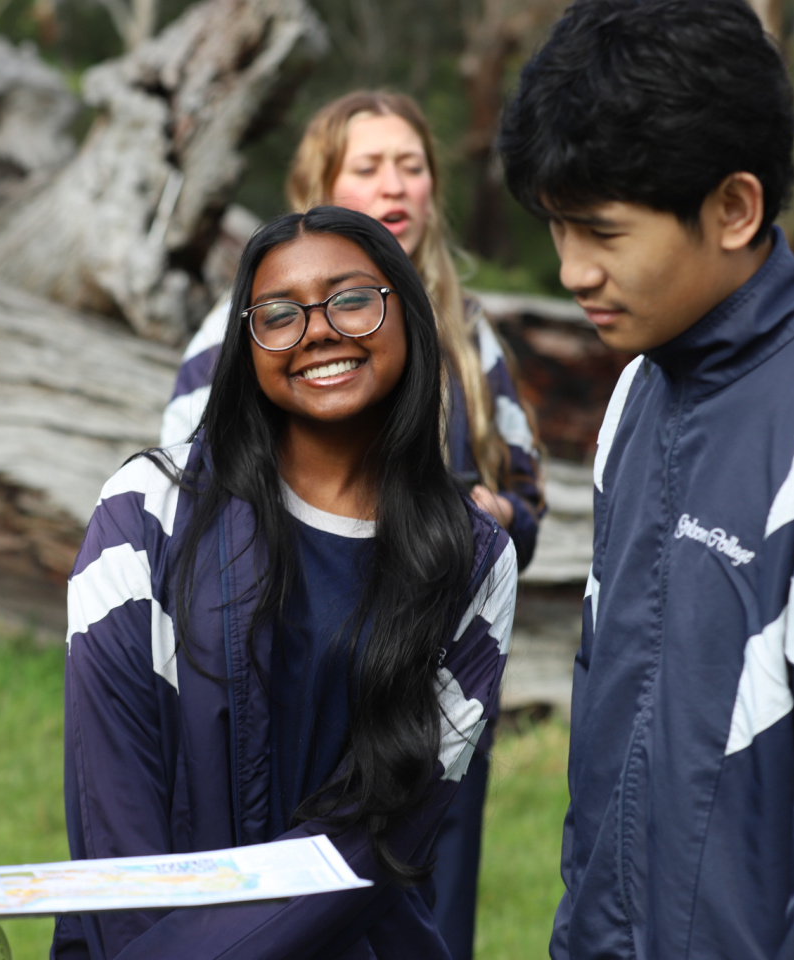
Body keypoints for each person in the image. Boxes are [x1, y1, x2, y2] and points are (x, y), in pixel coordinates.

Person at [498, 1, 794, 957]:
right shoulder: (635, 396)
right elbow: (605, 761)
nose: (572, 270)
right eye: (556, 228)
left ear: (736, 208)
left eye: (602, 232)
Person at [55, 205, 518, 959]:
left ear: (408, 312)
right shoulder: (145, 512)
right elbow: (113, 811)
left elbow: (378, 840)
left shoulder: (472, 560)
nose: (318, 331)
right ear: (247, 345)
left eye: (352, 299)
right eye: (278, 315)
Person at [162, 91, 544, 958]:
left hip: (432, 670)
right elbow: (184, 501)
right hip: (276, 670)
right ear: (319, 186)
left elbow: (526, 491)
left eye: (411, 165)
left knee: (419, 878)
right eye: (368, 167)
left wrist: (493, 516)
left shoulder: (469, 335)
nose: (394, 185)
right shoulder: (238, 331)